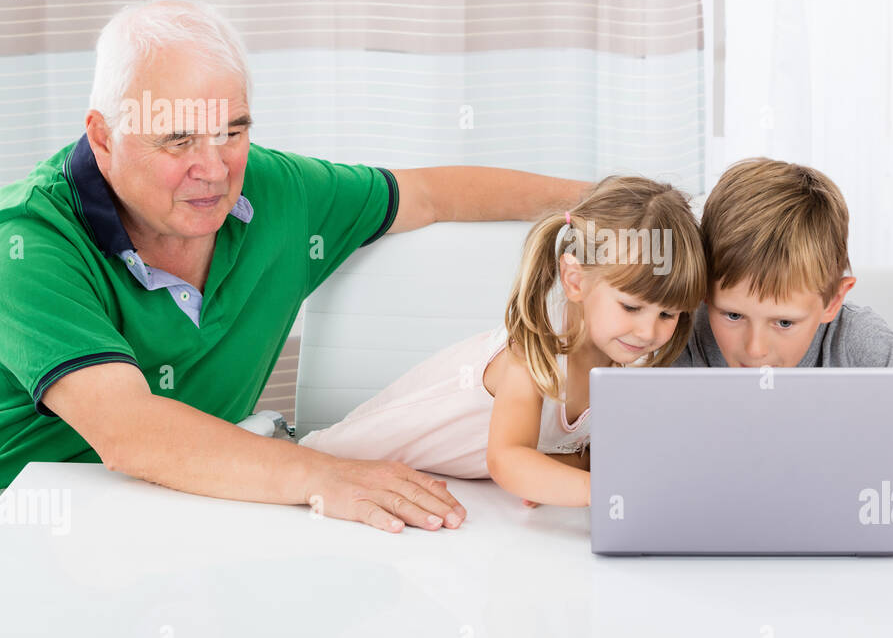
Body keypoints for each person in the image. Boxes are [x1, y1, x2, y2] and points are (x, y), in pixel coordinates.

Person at [0, 0, 590, 533]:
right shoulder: (27, 242)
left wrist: (613, 203)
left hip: (185, 518)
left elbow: (431, 195)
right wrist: (325, 477)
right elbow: (130, 431)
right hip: (15, 536)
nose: (212, 169)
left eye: (231, 132)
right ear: (104, 137)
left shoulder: (274, 190)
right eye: (179, 140)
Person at [299, 176, 707, 508]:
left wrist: (554, 474)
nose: (649, 332)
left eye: (668, 314)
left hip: (448, 482)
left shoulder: (625, 351)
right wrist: (602, 493)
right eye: (632, 307)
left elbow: (571, 453)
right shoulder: (532, 354)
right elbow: (509, 459)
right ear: (576, 280)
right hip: (338, 461)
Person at [674, 158, 893, 502]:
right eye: (732, 315)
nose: (755, 348)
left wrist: (851, 479)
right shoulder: (681, 336)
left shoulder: (857, 343)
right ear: (704, 289)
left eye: (784, 322)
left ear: (833, 300)